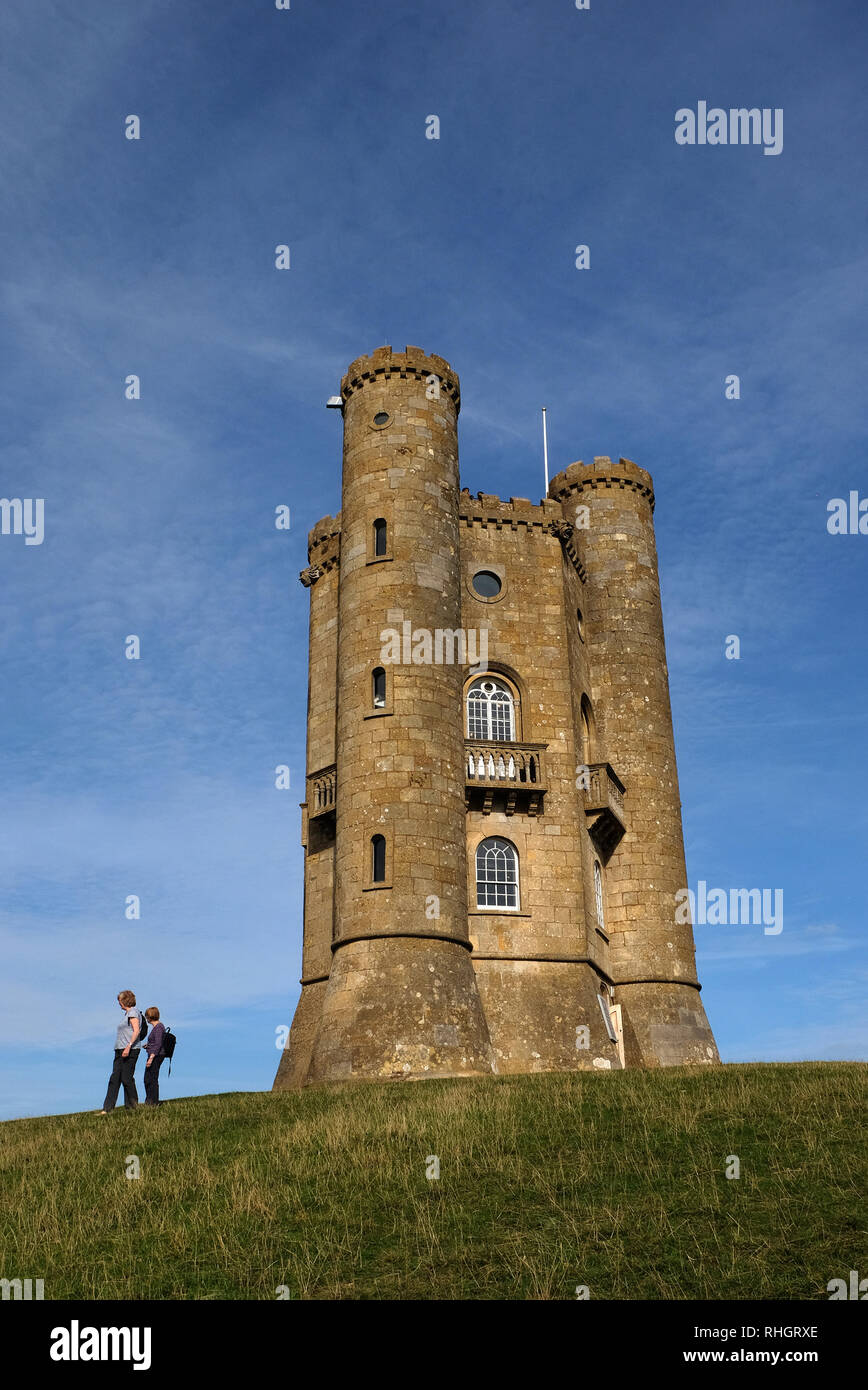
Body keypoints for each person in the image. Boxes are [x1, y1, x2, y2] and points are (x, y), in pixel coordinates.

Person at [99, 990, 144, 1113]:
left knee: (126, 1078)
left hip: (130, 1049)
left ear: (125, 1000)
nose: (119, 1003)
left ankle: (133, 1107)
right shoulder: (127, 1014)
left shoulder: (133, 1012)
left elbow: (136, 1031)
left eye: (120, 1000)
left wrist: (128, 1047)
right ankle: (107, 1109)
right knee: (115, 1079)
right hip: (120, 1049)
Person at [143, 1006, 166, 1106]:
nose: (146, 1018)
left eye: (147, 1016)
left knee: (152, 1078)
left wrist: (151, 1058)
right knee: (148, 1078)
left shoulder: (159, 1027)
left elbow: (158, 1044)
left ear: (150, 1016)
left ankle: (154, 1102)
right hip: (154, 1054)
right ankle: (150, 1101)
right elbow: (156, 1042)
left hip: (156, 1056)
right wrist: (148, 1046)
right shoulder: (157, 1027)